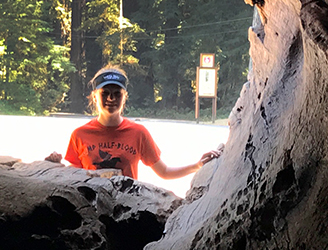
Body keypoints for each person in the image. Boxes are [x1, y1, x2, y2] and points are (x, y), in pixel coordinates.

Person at [45, 66, 222, 180]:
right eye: (105, 93)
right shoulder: (80, 135)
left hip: (126, 211)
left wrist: (197, 165)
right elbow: (72, 177)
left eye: (117, 93)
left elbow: (164, 172)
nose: (111, 98)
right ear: (95, 96)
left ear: (125, 97)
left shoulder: (138, 133)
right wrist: (52, 166)